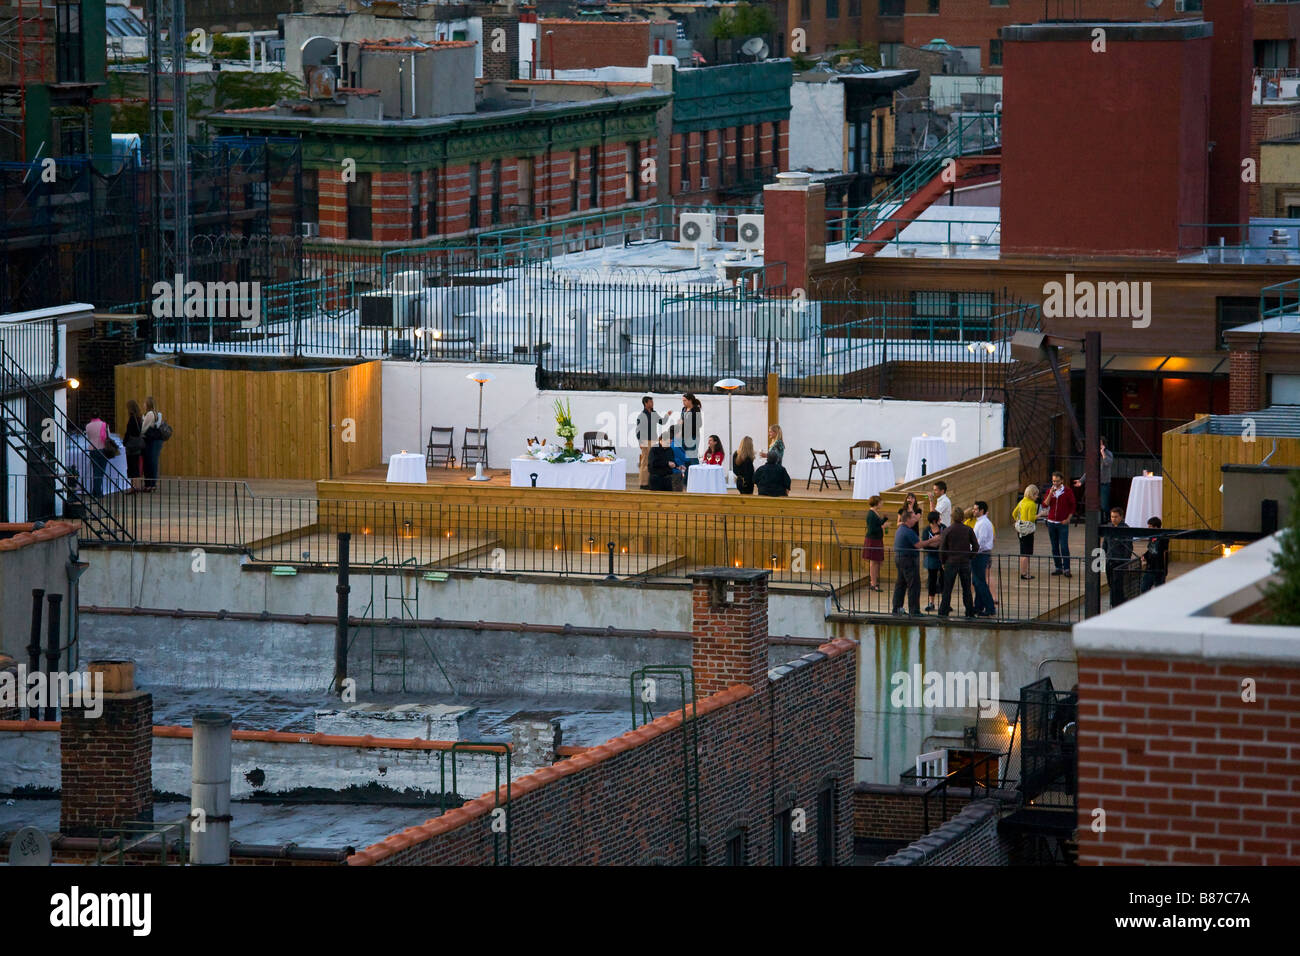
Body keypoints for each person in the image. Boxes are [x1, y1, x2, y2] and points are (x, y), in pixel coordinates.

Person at [935, 506, 979, 618]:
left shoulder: (947, 530)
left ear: (952, 517)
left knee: (947, 588)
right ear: (962, 517)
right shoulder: (968, 530)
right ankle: (969, 611)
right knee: (966, 589)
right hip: (965, 562)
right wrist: (970, 556)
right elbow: (976, 546)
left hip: (951, 562)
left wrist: (943, 562)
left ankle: (943, 612)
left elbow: (942, 549)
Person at [1043, 470, 1075, 576]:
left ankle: (1067, 568)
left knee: (1064, 546)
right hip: (1051, 522)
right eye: (1053, 481)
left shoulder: (1067, 491)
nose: (1055, 483)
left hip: (1062, 523)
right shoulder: (1049, 491)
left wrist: (1068, 518)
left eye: (1057, 481)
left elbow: (1073, 506)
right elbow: (1045, 505)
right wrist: (1050, 494)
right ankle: (1058, 567)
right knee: (1054, 546)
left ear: (1061, 481)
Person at [891, 508, 923, 616]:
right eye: (914, 517)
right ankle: (914, 611)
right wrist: (933, 540)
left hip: (900, 558)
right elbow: (918, 544)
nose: (915, 519)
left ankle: (897, 608)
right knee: (913, 584)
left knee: (901, 584)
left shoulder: (901, 529)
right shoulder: (908, 531)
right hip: (908, 560)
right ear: (908, 519)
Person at [1073, 437, 1113, 519]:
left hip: (1104, 482)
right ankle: (1096, 519)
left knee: (1104, 504)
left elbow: (1108, 463)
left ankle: (1108, 518)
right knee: (1092, 503)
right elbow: (1090, 469)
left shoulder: (1108, 453)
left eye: (1100, 443)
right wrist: (1081, 480)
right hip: (1094, 482)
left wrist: (1103, 453)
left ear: (1104, 444)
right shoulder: (1093, 455)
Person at [635, 396, 668, 489]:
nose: (652, 403)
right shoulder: (641, 415)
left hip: (654, 440)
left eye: (652, 402)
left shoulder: (654, 413)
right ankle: (643, 483)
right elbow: (638, 430)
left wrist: (667, 415)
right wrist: (640, 442)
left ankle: (651, 481)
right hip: (645, 440)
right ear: (645, 403)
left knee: (653, 461)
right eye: (650, 402)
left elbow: (662, 421)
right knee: (645, 461)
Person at [970, 500, 996, 617]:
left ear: (981, 511)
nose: (973, 511)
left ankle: (990, 607)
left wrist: (972, 552)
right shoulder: (980, 522)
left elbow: (981, 541)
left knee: (980, 582)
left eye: (975, 509)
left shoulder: (984, 523)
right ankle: (978, 606)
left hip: (980, 554)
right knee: (977, 581)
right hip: (980, 554)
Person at [1104, 505, 1133, 609]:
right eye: (1112, 517)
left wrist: (1125, 561)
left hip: (1120, 561)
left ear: (1121, 517)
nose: (1113, 519)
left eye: (1115, 517)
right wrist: (1106, 555)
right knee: (1111, 584)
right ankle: (1114, 603)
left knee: (1118, 585)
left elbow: (1128, 547)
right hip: (1110, 560)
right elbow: (1105, 543)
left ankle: (1117, 604)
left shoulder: (1126, 529)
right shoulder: (1108, 527)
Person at [919, 510, 946, 612]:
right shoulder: (927, 530)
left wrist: (935, 542)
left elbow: (945, 541)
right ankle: (931, 602)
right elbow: (925, 544)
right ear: (934, 520)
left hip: (943, 557)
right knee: (932, 580)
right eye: (939, 518)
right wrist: (935, 541)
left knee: (944, 579)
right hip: (932, 557)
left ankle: (944, 602)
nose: (940, 519)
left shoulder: (943, 527)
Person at [1013, 484, 1040, 580]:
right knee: (1027, 553)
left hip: (1020, 530)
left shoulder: (1022, 502)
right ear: (1032, 494)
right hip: (1028, 531)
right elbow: (1031, 519)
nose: (1037, 497)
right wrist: (1041, 514)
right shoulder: (1032, 504)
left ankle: (1024, 572)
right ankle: (1025, 574)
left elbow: (1014, 513)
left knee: (1022, 552)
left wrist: (1018, 520)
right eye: (1036, 495)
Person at [862, 495, 889, 592]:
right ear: (877, 503)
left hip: (877, 539)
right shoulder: (871, 514)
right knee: (873, 562)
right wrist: (883, 526)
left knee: (878, 561)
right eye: (881, 502)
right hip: (872, 540)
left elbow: (878, 524)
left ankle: (875, 581)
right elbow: (872, 529)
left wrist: (884, 520)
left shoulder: (875, 513)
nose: (882, 504)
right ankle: (873, 583)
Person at [141, 395, 165, 493]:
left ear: (148, 404)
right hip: (155, 441)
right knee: (152, 462)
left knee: (150, 463)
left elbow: (143, 428)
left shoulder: (150, 414)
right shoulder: (156, 414)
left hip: (150, 441)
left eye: (144, 403)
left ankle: (150, 484)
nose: (143, 404)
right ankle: (151, 484)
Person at [1140, 517, 1167, 594]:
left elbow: (1157, 551)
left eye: (1150, 527)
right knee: (1144, 588)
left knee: (1159, 591)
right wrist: (1145, 555)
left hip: (1159, 569)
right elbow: (1150, 550)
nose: (1148, 528)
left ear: (1155, 527)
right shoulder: (1152, 537)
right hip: (1150, 567)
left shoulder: (1163, 538)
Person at [85, 413, 109, 497]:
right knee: (101, 471)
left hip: (92, 449)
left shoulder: (88, 426)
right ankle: (98, 491)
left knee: (96, 471)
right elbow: (107, 436)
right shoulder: (104, 424)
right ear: (99, 416)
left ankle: (95, 490)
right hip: (103, 449)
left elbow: (88, 437)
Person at [123, 399, 144, 494]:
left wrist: (124, 442)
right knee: (136, 466)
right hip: (138, 445)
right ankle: (138, 486)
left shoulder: (132, 419)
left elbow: (128, 433)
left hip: (131, 445)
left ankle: (133, 487)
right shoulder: (139, 418)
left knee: (131, 467)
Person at [678, 393, 703, 472]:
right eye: (683, 400)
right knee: (685, 459)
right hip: (683, 437)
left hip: (692, 437)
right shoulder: (683, 409)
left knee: (693, 458)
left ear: (690, 400)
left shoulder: (696, 410)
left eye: (685, 400)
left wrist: (685, 422)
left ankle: (697, 475)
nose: (683, 402)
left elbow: (699, 424)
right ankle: (687, 480)